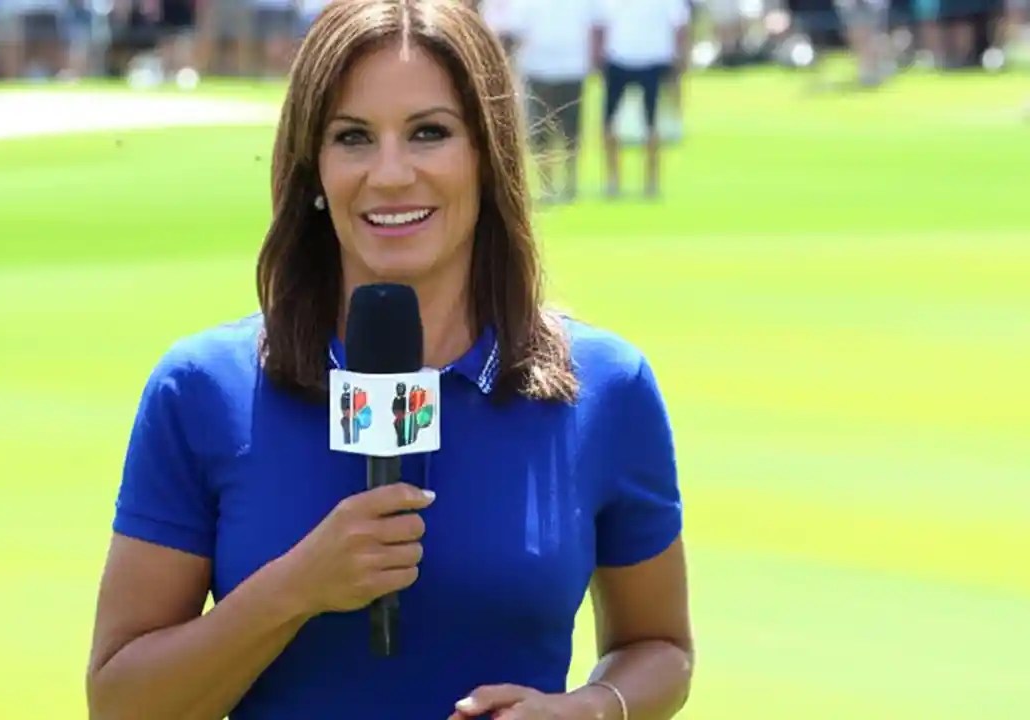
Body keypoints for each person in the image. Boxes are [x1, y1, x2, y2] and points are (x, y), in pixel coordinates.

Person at [86, 2, 694, 719]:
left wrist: (590, 708)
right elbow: (120, 704)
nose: (391, 173)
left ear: (487, 155)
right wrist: (293, 590)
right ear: (313, 167)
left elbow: (662, 648)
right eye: (352, 138)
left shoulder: (605, 389)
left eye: (429, 133)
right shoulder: (200, 391)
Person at [594, 0, 689, 199]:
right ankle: (613, 181)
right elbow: (600, 25)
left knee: (651, 125)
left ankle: (651, 182)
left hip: (653, 60)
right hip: (618, 59)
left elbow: (680, 25)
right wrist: (598, 57)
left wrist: (680, 58)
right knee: (608, 123)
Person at [509, 0, 597, 205]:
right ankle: (547, 184)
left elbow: (594, 27)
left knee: (571, 131)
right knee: (540, 132)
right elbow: (517, 33)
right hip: (538, 70)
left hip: (572, 69)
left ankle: (570, 183)